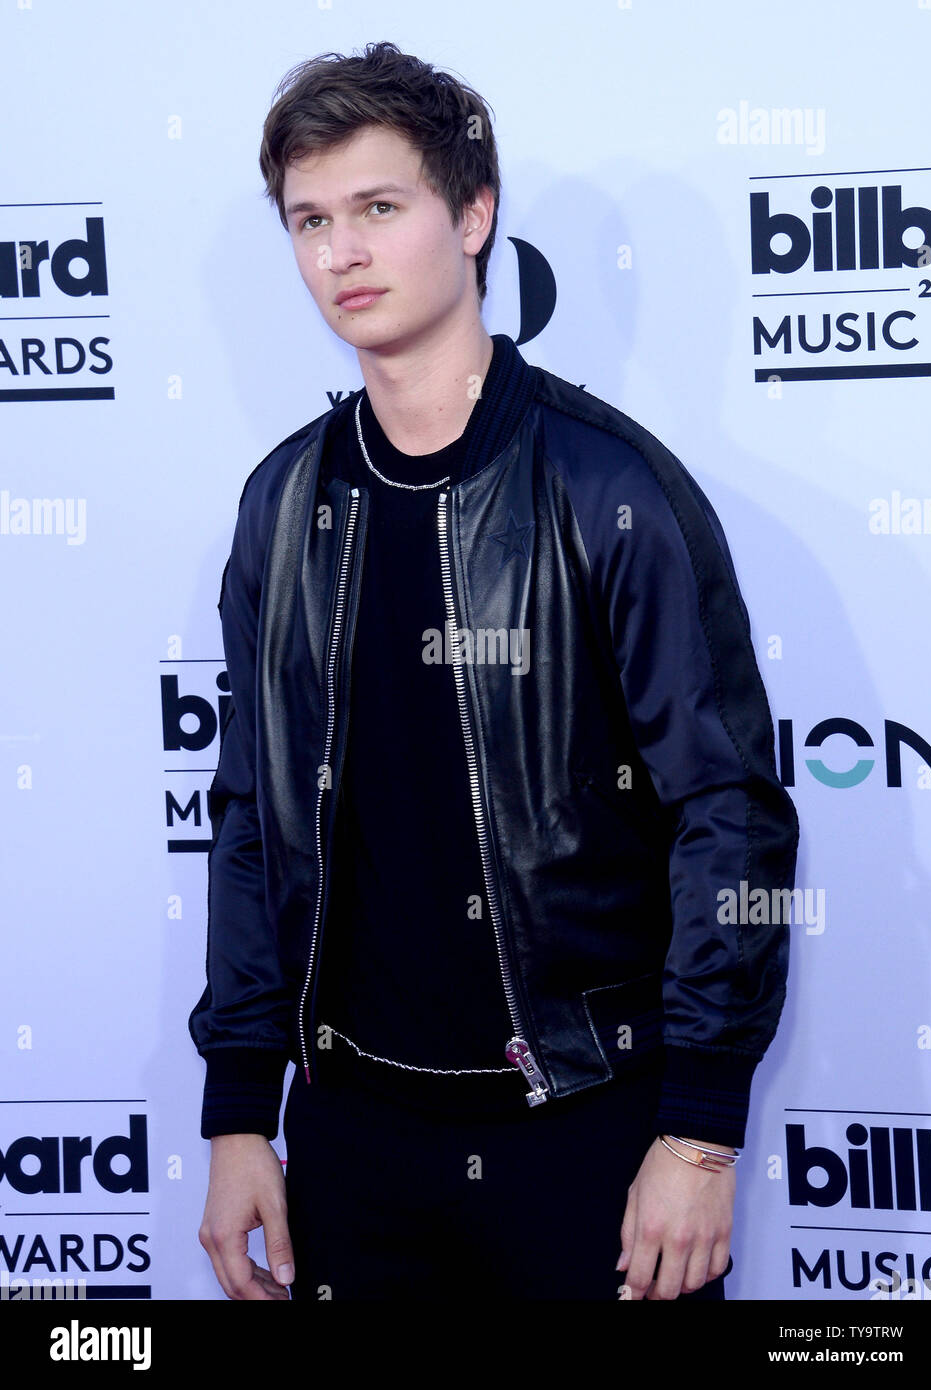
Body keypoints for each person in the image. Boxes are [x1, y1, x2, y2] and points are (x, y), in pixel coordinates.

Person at [189, 40, 799, 1302]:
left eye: (376, 208)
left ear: (471, 218)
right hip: (353, 1137)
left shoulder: (607, 487)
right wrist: (241, 1106)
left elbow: (729, 816)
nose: (339, 253)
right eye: (309, 220)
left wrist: (696, 1132)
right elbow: (250, 815)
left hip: (586, 1122)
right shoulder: (282, 503)